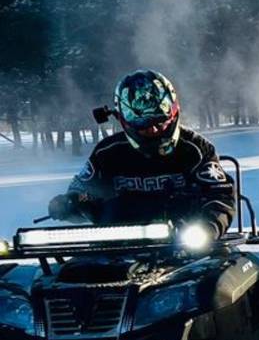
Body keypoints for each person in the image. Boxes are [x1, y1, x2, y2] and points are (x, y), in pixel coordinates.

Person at [48, 70, 236, 242]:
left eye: (160, 122)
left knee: (216, 279)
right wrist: (70, 203)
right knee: (66, 276)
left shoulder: (195, 149)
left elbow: (220, 195)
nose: (153, 130)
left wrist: (208, 229)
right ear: (124, 120)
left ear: (173, 113)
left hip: (186, 249)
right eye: (144, 125)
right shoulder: (107, 153)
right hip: (117, 250)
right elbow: (83, 192)